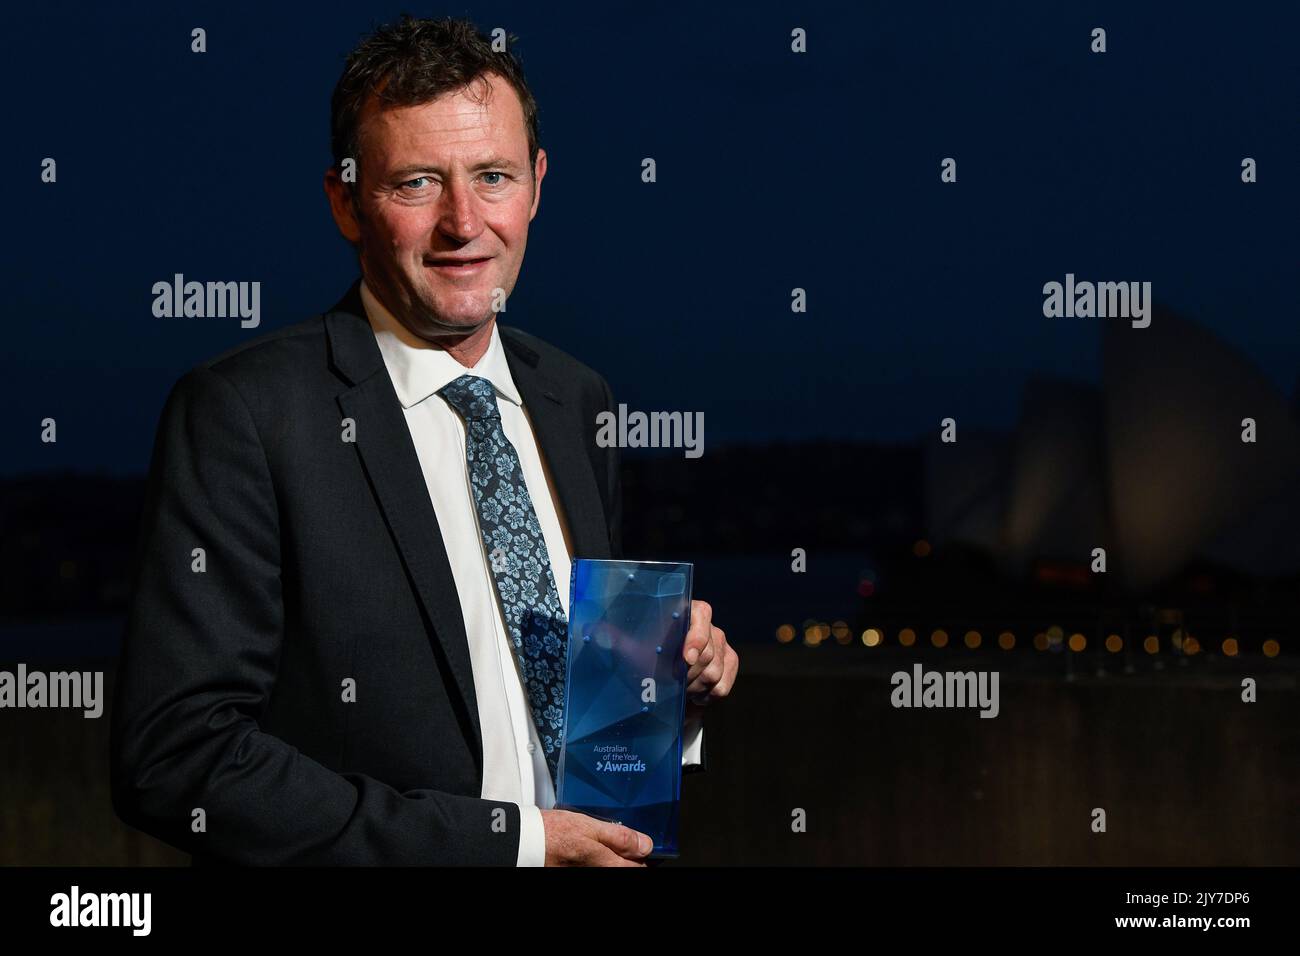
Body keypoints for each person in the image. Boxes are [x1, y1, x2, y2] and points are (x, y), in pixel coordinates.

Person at [110, 14, 738, 866]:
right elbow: (176, 759)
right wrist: (511, 845)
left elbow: (558, 713)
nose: (463, 223)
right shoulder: (243, 414)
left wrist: (665, 691)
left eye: (493, 176)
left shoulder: (574, 397)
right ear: (344, 200)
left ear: (538, 185)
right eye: (415, 183)